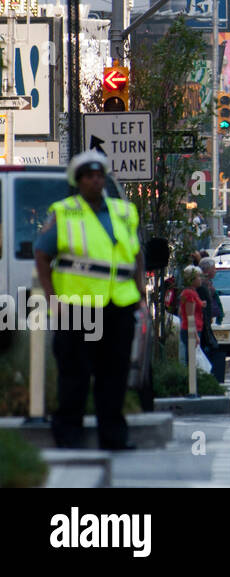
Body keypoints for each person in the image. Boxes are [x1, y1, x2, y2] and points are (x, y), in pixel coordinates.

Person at [33, 151, 144, 450]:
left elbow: (136, 255)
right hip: (76, 306)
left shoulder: (123, 212)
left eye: (99, 176)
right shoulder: (65, 212)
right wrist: (52, 297)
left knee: (115, 375)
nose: (96, 181)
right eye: (89, 177)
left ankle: (113, 437)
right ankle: (68, 436)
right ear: (78, 182)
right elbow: (43, 254)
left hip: (118, 306)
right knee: (75, 375)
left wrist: (141, 293)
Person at [198, 258, 226, 382]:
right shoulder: (204, 284)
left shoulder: (207, 283)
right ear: (207, 270)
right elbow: (205, 304)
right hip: (202, 323)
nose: (215, 271)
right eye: (213, 268)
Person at [178, 265, 205, 367]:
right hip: (191, 329)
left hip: (194, 328)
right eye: (198, 277)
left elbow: (181, 311)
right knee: (191, 358)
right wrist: (195, 335)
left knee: (192, 356)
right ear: (192, 279)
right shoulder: (189, 294)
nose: (200, 279)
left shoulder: (192, 293)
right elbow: (190, 316)